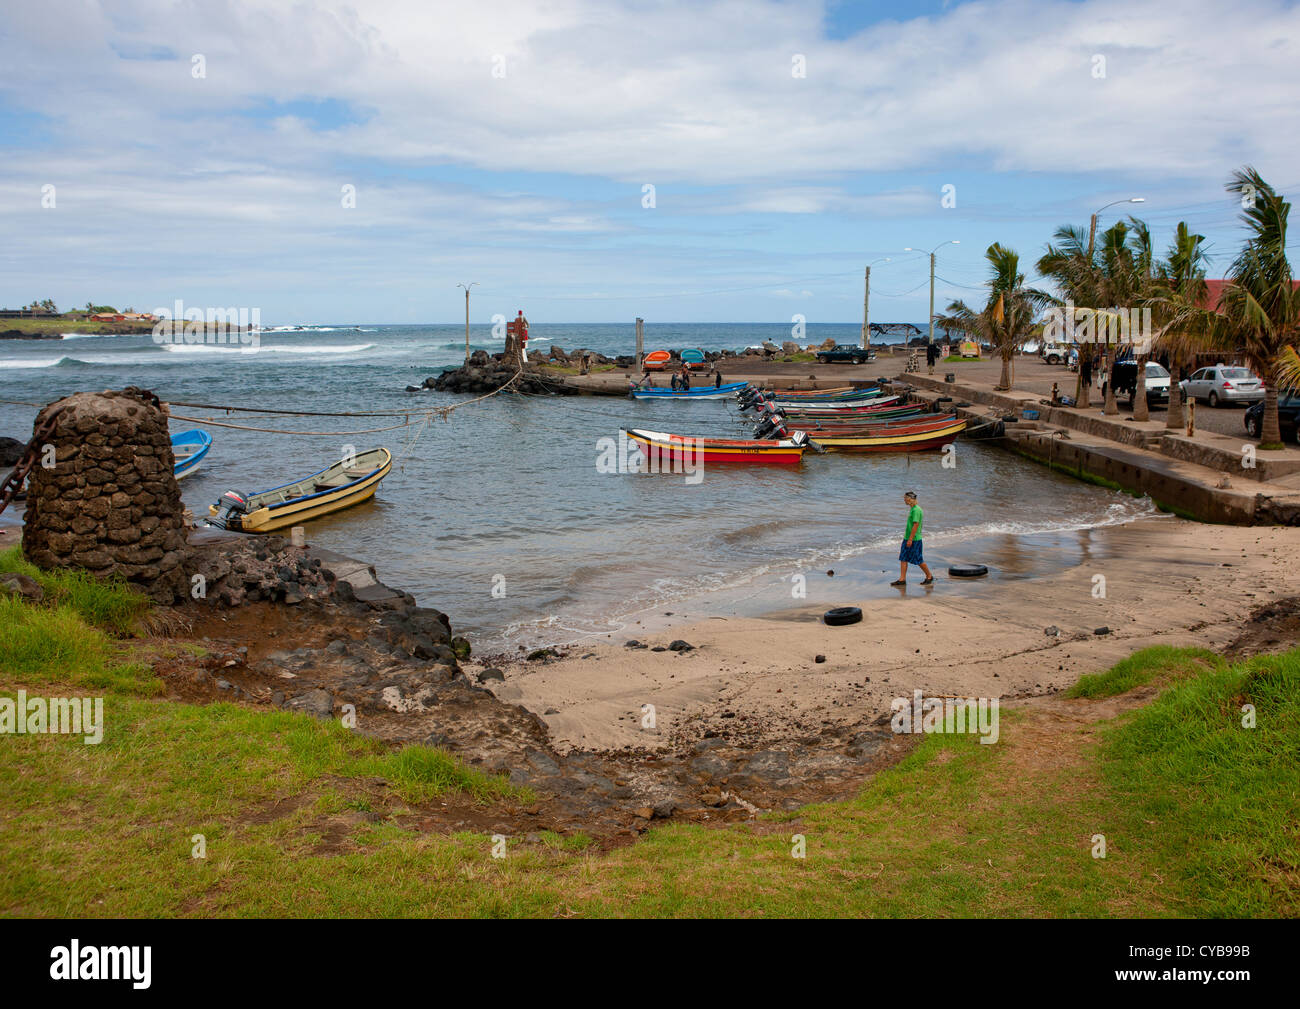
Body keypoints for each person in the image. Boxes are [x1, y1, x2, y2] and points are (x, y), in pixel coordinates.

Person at [892, 491, 933, 586]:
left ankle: (929, 576)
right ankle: (902, 579)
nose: (904, 500)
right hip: (908, 538)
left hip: (914, 539)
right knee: (903, 557)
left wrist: (910, 539)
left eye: (905, 498)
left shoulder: (916, 510)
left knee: (918, 559)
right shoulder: (913, 509)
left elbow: (916, 525)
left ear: (909, 499)